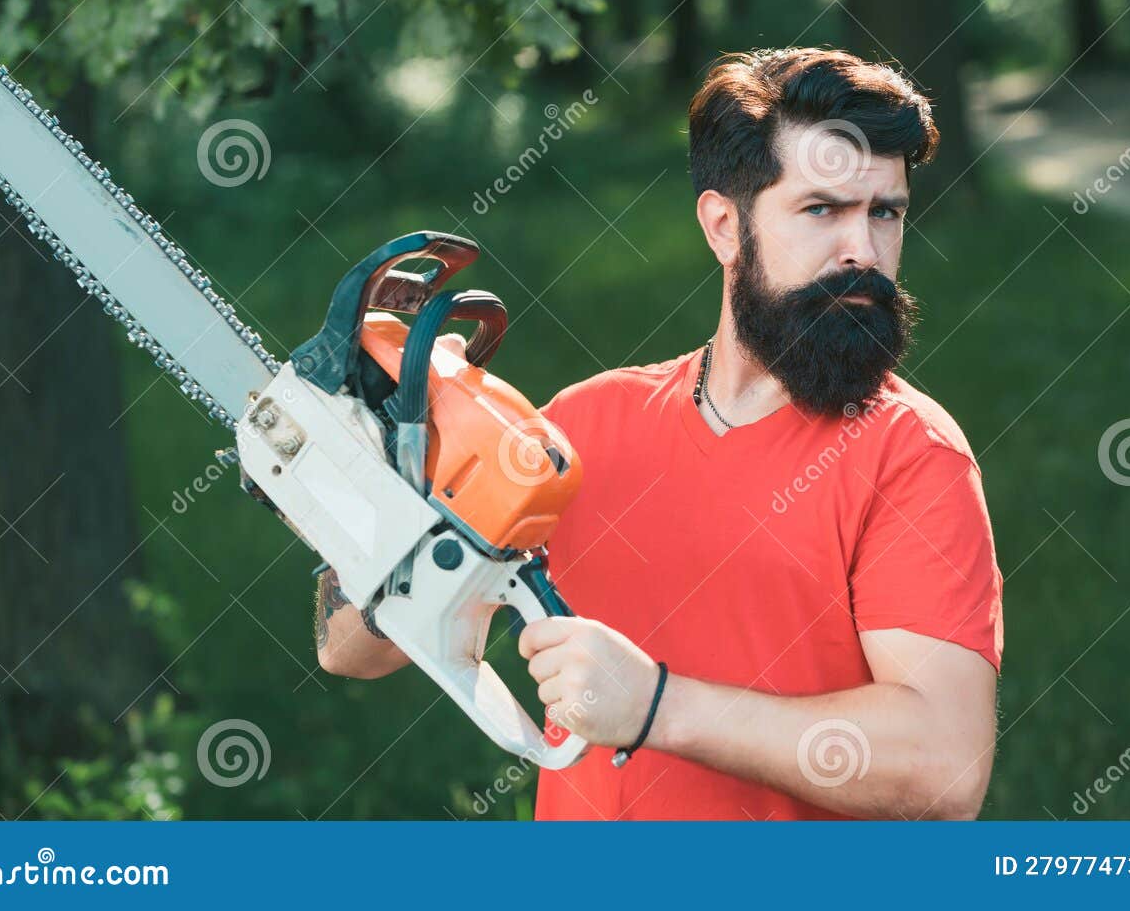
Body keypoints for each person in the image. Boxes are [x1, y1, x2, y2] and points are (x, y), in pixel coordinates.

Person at [316, 47, 1003, 820]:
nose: (864, 251)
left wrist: (656, 708)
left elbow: (945, 769)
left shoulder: (911, 455)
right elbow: (351, 650)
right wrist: (396, 489)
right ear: (723, 225)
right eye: (823, 209)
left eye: (885, 211)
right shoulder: (579, 429)